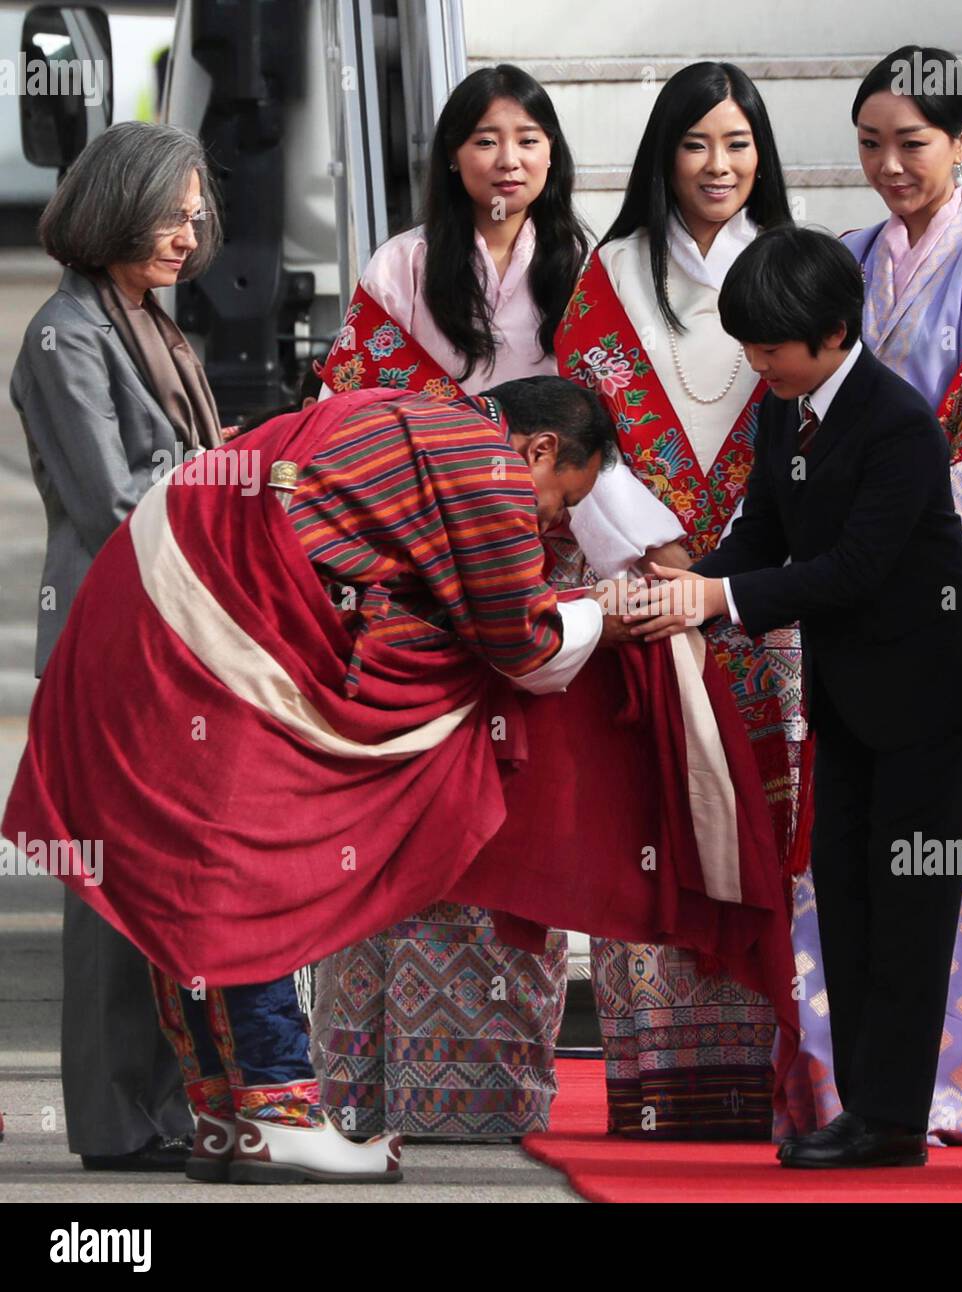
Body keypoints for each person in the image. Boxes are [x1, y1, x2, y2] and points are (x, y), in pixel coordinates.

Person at [3, 377, 800, 1183]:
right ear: (539, 449)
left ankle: (228, 1112)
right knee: (250, 864)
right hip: (214, 618)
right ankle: (275, 1104)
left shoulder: (406, 410)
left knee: (198, 864)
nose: (553, 523)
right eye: (562, 501)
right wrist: (604, 610)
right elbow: (519, 644)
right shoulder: (485, 465)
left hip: (146, 602)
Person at [632, 226, 962, 1168]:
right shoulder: (784, 410)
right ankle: (861, 1108)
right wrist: (674, 596)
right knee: (845, 893)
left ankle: (891, 1117)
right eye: (751, 347)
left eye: (773, 347)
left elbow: (850, 569)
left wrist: (713, 597)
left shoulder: (897, 422)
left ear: (836, 332)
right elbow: (761, 536)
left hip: (933, 688)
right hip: (853, 688)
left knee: (910, 902)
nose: (759, 364)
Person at [312, 64, 589, 1141]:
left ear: (552, 155)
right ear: (450, 157)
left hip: (541, 570)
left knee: (514, 825)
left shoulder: (588, 271)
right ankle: (371, 1074)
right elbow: (355, 417)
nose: (506, 159)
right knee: (396, 821)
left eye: (527, 139)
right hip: (416, 578)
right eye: (484, 139)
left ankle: (486, 1087)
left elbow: (608, 434)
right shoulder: (402, 267)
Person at [778, 46, 962, 1144]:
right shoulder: (846, 257)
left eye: (913, 143)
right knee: (840, 857)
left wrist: (880, 532)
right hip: (848, 593)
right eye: (870, 143)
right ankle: (858, 1086)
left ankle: (961, 1084)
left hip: (936, 588)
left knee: (952, 858)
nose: (889, 165)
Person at [557, 60, 799, 1140]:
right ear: (664, 155)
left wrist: (730, 573)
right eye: (697, 144)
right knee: (653, 815)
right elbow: (578, 433)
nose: (719, 165)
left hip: (756, 600)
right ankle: (655, 1083)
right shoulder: (608, 276)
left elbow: (815, 421)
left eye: (739, 143)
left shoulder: (794, 270)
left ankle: (763, 1077)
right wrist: (652, 552)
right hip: (647, 594)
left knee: (764, 816)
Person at [10, 119, 223, 1172]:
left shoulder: (151, 323)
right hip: (106, 634)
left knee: (158, 883)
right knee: (104, 892)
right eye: (170, 213)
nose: (188, 233)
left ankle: (165, 1106)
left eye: (194, 215)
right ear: (113, 204)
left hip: (166, 632)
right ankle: (113, 1120)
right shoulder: (65, 332)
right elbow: (109, 498)